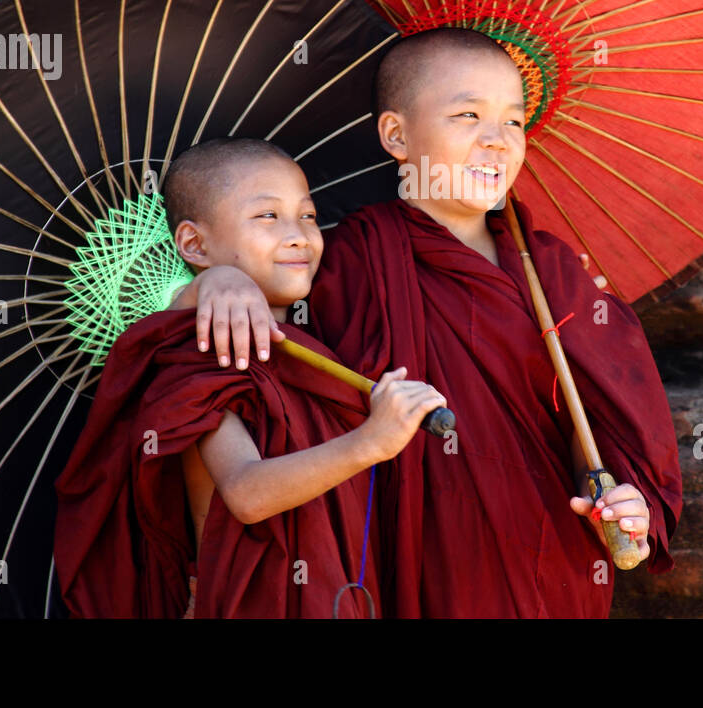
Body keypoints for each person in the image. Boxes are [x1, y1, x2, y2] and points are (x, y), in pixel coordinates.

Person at [175, 29, 684, 617]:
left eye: (515, 122)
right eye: (468, 115)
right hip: (391, 555)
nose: (497, 142)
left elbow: (594, 422)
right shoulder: (347, 257)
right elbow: (261, 353)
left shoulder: (554, 272)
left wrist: (624, 502)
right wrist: (216, 281)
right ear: (396, 135)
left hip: (544, 558)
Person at [52, 138, 446, 618]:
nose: (300, 234)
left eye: (306, 214)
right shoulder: (202, 357)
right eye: (267, 217)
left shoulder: (311, 348)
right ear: (195, 245)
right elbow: (245, 493)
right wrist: (371, 442)